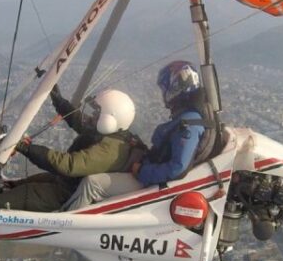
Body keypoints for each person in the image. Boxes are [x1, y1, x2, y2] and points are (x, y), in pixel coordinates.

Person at [64, 60, 211, 210]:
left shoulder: (189, 124)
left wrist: (142, 171)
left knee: (92, 184)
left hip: (150, 181)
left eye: (165, 89)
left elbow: (177, 167)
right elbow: (167, 152)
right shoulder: (188, 117)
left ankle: (62, 226)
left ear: (176, 87)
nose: (163, 94)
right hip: (150, 172)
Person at [0, 85, 145, 212]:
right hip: (66, 182)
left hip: (67, 194)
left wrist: (25, 147)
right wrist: (57, 98)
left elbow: (68, 165)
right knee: (18, 184)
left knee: (20, 195)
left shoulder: (112, 150)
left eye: (97, 113)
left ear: (109, 119)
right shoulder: (108, 134)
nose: (92, 116)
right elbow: (76, 120)